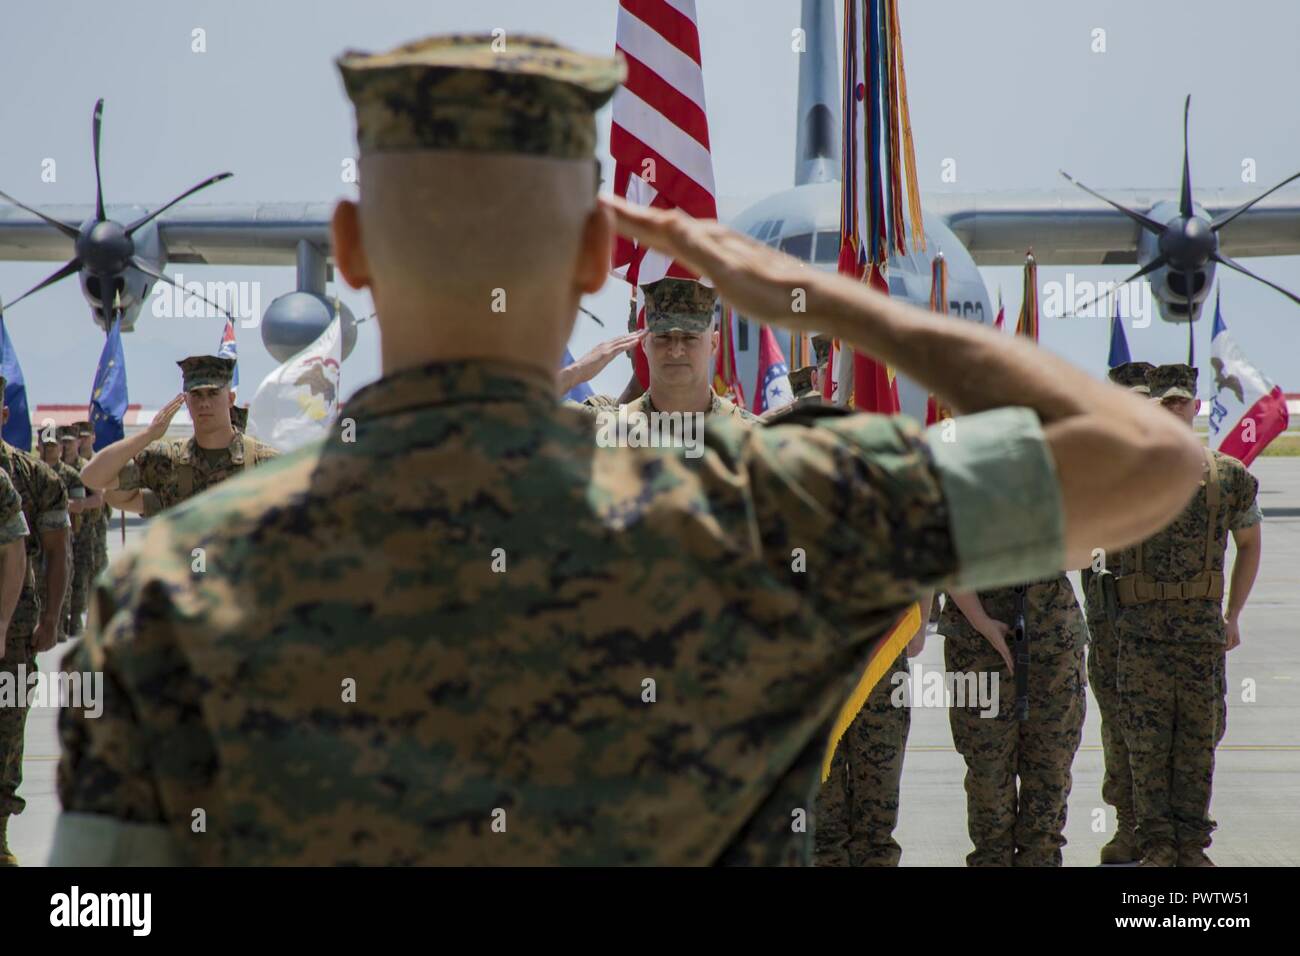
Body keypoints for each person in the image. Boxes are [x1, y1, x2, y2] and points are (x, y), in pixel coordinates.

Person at [52, 33, 1202, 866]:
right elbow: (1146, 456)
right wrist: (829, 302)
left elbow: (96, 909)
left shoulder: (172, 584)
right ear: (603, 257)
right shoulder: (764, 510)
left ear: (348, 250)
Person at [1117, 364, 1262, 867]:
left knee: (1198, 746)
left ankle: (1192, 846)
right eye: (1165, 403)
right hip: (1141, 637)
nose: (1174, 410)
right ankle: (1156, 845)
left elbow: (1249, 543)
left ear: (1196, 407)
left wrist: (1234, 613)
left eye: (1183, 402)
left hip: (1200, 637)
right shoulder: (1123, 474)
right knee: (1145, 747)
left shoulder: (1229, 477)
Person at [937, 575, 1088, 866]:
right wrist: (981, 621)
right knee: (988, 776)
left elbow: (1091, 548)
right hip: (976, 642)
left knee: (1051, 770)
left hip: (1053, 638)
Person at [1082, 360, 1152, 864]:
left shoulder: (1175, 467)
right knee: (1119, 729)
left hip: (1167, 627)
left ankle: (1172, 832)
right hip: (1110, 628)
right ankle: (1130, 826)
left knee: (1178, 732)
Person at [0, 378, 70, 866]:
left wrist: (50, 617)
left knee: (6, 735)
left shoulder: (34, 477)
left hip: (16, 632)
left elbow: (57, 551)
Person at [81, 356, 278, 511]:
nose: (204, 403)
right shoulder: (168, 460)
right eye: (196, 395)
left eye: (213, 393)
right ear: (186, 400)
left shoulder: (264, 461)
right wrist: (149, 435)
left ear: (230, 398)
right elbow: (91, 477)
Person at [37, 428, 85, 642]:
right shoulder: (32, 471)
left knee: (62, 575)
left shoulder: (71, 475)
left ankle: (59, 624)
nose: (49, 450)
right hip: (36, 537)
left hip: (62, 534)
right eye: (45, 446)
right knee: (36, 580)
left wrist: (55, 505)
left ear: (60, 448)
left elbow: (80, 505)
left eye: (53, 446)